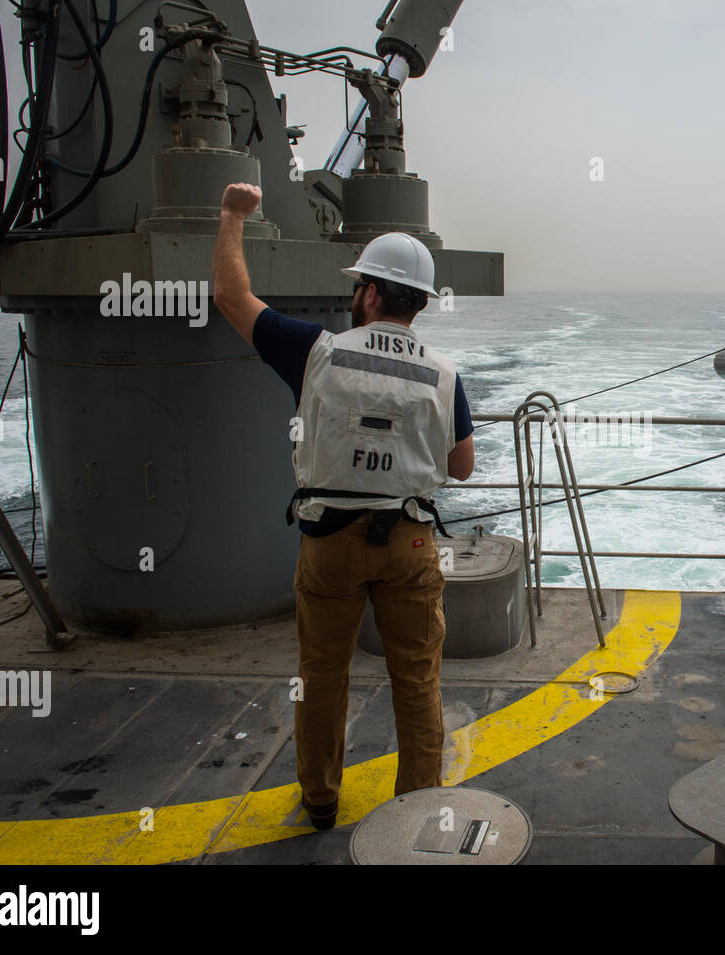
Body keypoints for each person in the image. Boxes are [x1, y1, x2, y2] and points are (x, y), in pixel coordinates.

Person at [212, 181, 474, 831]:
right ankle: (415, 803)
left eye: (359, 284)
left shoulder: (317, 351)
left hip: (329, 541)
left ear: (374, 293)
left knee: (322, 675)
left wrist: (231, 216)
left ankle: (322, 800)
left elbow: (230, 297)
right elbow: (460, 466)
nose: (351, 293)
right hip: (410, 543)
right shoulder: (443, 373)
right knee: (417, 680)